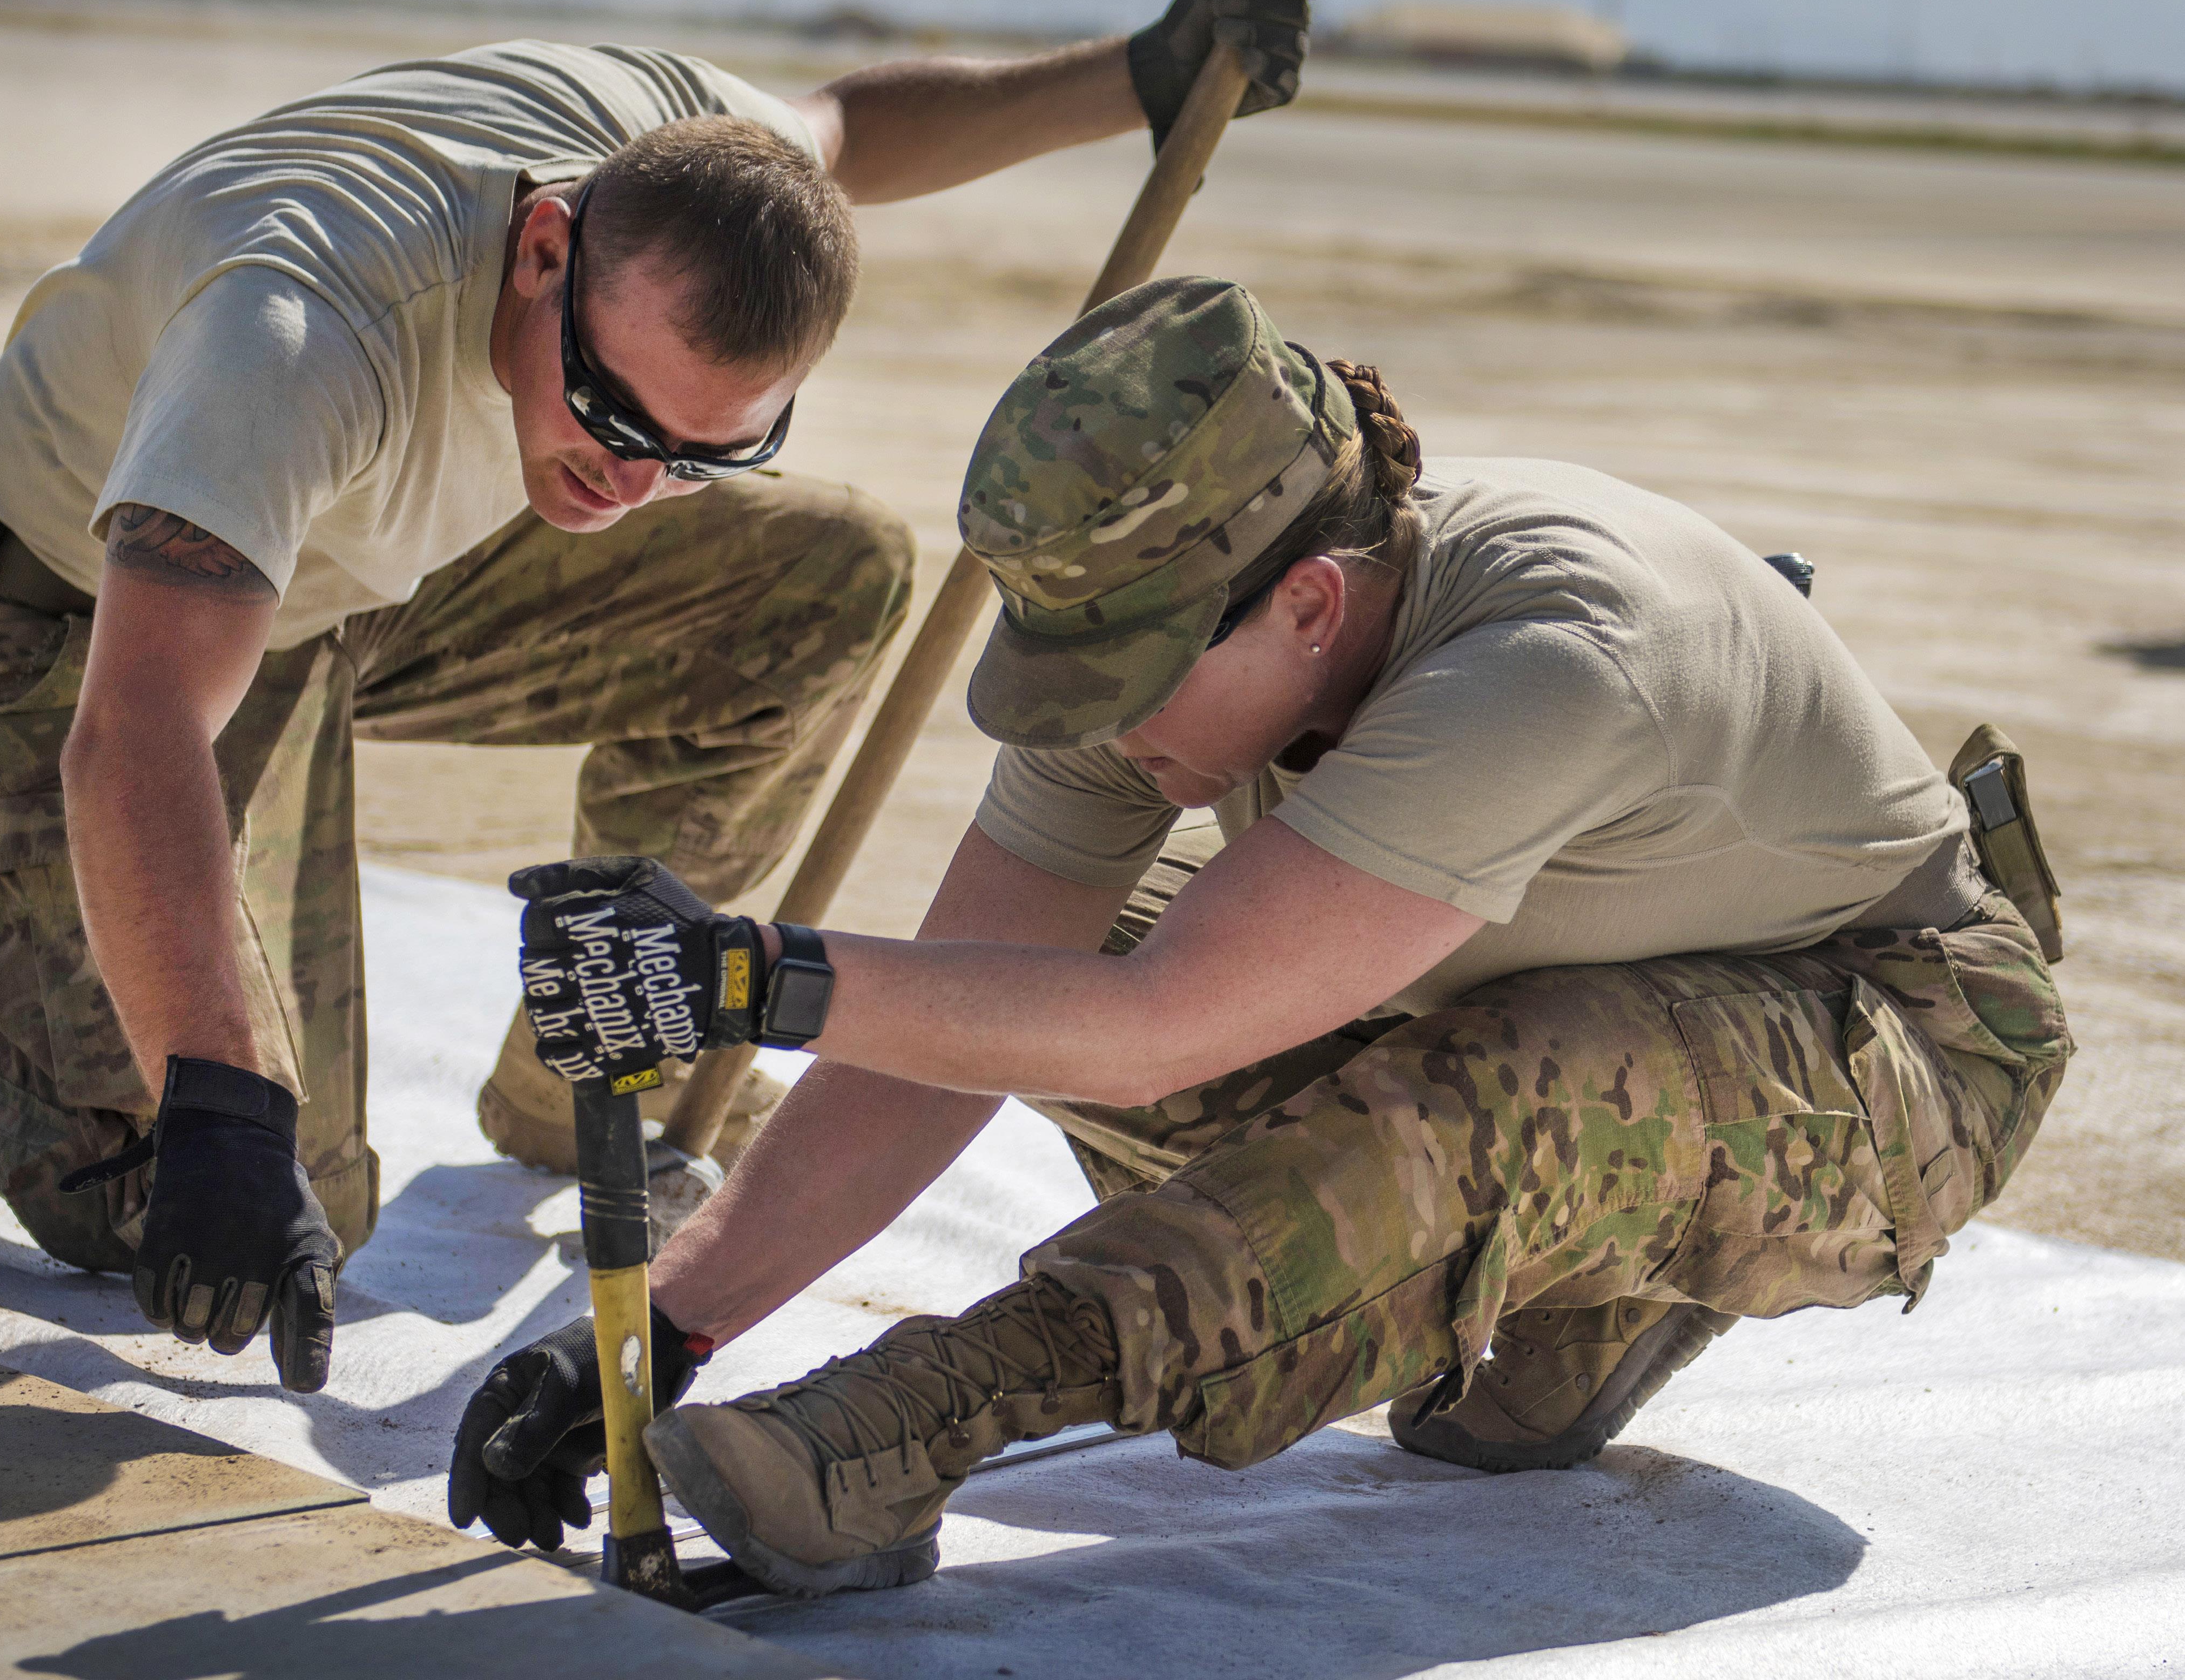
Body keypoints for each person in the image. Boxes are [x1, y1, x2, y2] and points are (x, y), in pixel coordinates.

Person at [0, 0, 1332, 1389]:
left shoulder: (679, 163)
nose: (631, 483)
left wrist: (1138, 71)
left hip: (358, 581)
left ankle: (581, 1074)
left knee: (828, 569)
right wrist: (223, 1102)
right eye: (611, 415)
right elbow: (134, 738)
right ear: (542, 247)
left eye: (697, 454)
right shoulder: (296, 333)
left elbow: (851, 128)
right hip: (75, 620)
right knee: (206, 1187)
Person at [452, 275, 2074, 1593]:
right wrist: (663, 1333)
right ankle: (1591, 1305)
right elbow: (943, 1035)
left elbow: (1173, 1023)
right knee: (1030, 989)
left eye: (1127, 682)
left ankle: (911, 1422)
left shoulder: (1553, 658)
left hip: (1902, 1045)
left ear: (1309, 605)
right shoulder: (1178, 618)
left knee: (1493, 1085)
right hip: (1593, 991)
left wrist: (747, 978)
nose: (1097, 724)